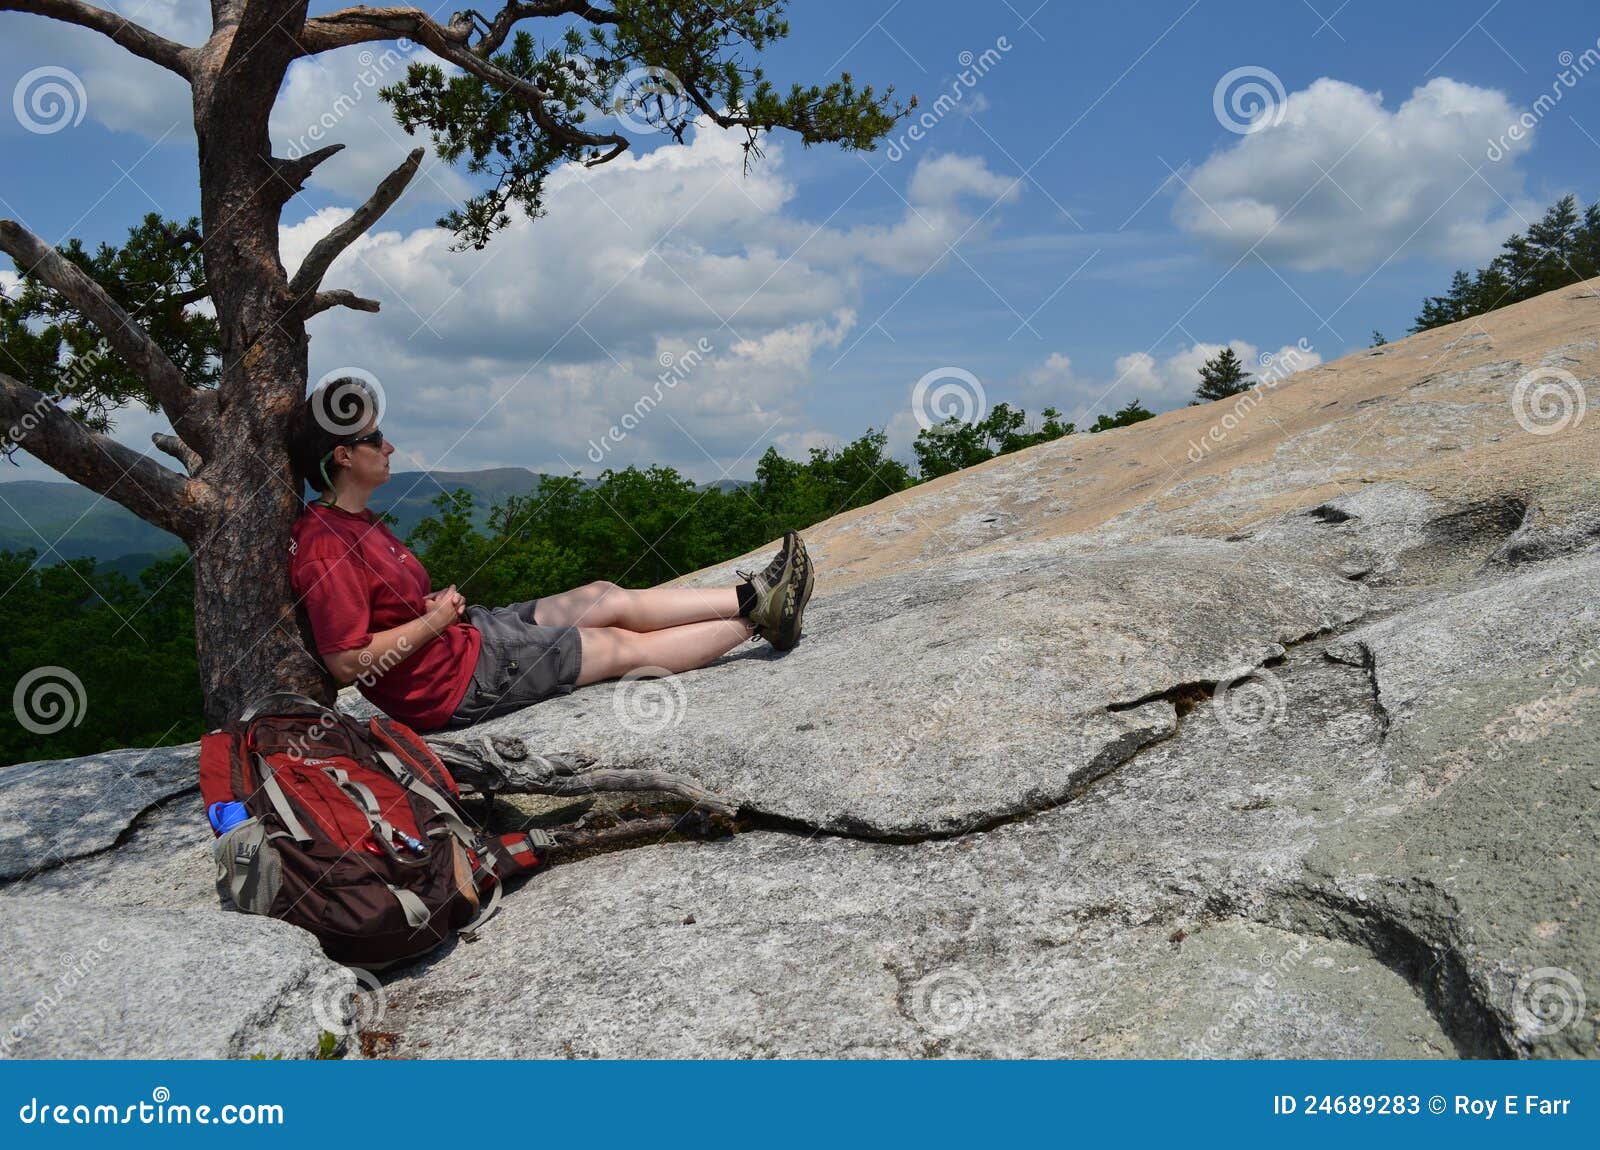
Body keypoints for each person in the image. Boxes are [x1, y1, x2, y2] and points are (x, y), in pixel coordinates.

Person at [283, 378, 812, 733]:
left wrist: (427, 608)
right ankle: (760, 620)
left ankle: (754, 592)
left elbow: (380, 609)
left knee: (602, 596)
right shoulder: (326, 546)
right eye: (376, 439)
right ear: (344, 456)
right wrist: (434, 621)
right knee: (614, 646)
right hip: (449, 685)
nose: (390, 447)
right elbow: (349, 663)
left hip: (462, 642)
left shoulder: (359, 522)